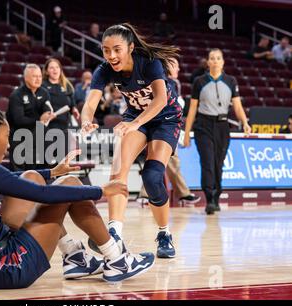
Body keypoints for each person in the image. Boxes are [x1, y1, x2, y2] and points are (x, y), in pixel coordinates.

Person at [0, 101, 155, 289]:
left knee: (32, 176)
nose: (10, 143)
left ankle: (75, 256)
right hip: (9, 267)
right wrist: (101, 190)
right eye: (8, 136)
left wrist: (51, 172)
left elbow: (13, 179)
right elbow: (44, 194)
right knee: (69, 185)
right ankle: (116, 258)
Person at [81, 23, 182, 259]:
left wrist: (135, 124)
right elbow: (90, 103)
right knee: (118, 172)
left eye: (117, 49)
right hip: (137, 117)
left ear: (131, 47)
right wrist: (86, 120)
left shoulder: (148, 62)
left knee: (152, 177)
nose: (112, 55)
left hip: (166, 118)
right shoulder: (104, 70)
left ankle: (164, 233)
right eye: (106, 50)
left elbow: (159, 100)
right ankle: (114, 233)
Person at [183, 48, 251, 215]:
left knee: (218, 164)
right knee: (207, 162)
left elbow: (237, 106)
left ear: (223, 62)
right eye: (212, 58)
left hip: (222, 126)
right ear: (208, 62)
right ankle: (209, 199)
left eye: (218, 58)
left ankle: (217, 195)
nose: (214, 61)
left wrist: (245, 123)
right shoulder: (199, 81)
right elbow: (192, 109)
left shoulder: (231, 81)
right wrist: (186, 133)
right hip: (203, 126)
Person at [140, 58, 200, 205]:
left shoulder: (174, 84)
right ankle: (181, 194)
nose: (178, 70)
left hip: (168, 128)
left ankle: (146, 194)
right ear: (168, 67)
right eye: (176, 66)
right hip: (160, 128)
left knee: (162, 161)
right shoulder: (161, 81)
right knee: (164, 160)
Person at [6, 64, 54, 171]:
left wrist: (48, 115)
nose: (38, 79)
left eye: (40, 76)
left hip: (36, 137)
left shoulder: (44, 92)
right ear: (26, 78)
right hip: (19, 137)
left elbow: (47, 110)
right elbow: (19, 120)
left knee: (34, 172)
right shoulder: (16, 95)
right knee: (18, 174)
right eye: (34, 76)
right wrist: (39, 120)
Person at [42, 58, 80, 165]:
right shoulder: (43, 85)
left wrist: (74, 109)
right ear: (46, 71)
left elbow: (71, 103)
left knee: (63, 162)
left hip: (63, 128)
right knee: (49, 161)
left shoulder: (66, 85)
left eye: (57, 67)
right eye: (52, 68)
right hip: (48, 128)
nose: (55, 70)